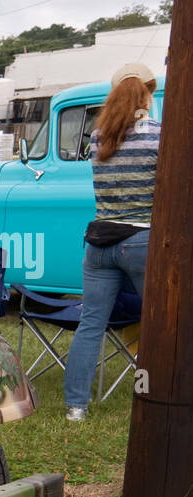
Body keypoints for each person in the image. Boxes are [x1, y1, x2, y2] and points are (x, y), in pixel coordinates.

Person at [63, 63, 162, 422]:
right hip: (141, 240)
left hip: (100, 243)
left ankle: (76, 406)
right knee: (160, 322)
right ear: (146, 95)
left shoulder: (98, 137)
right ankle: (160, 395)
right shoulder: (157, 135)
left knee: (91, 324)